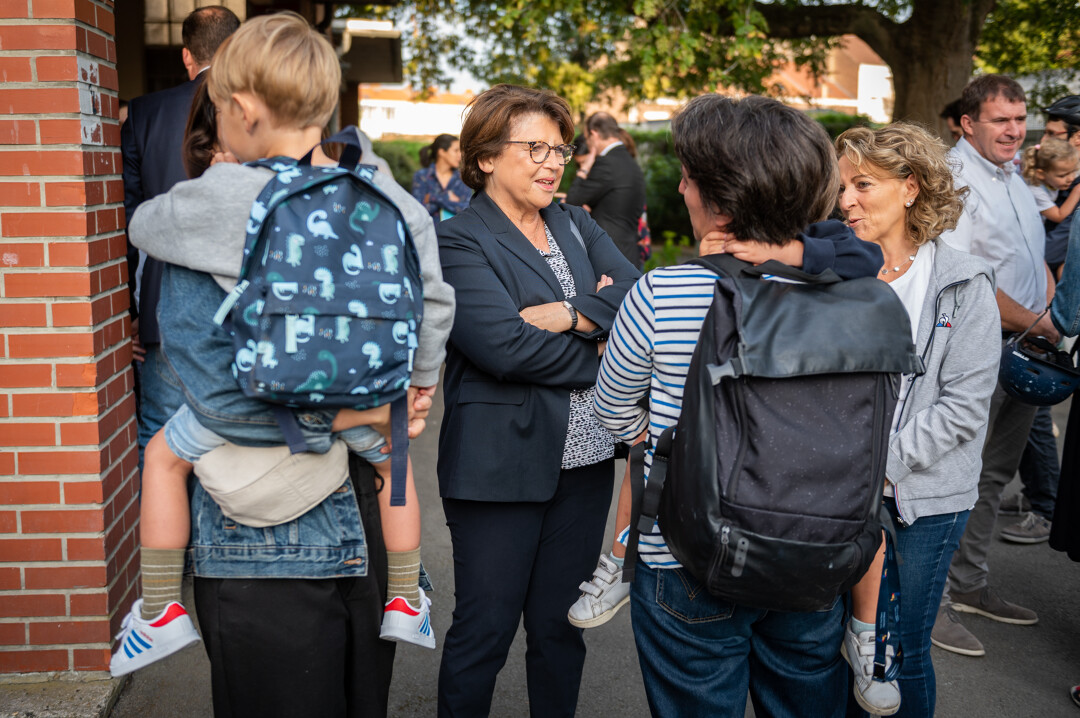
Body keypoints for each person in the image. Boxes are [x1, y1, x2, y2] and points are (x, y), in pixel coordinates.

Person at [119, 14, 456, 715]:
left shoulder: (221, 197)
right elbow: (431, 288)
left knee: (162, 454)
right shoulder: (379, 194)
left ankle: (155, 613)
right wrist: (420, 381)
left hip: (257, 511)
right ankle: (407, 592)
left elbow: (145, 225)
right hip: (361, 478)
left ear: (240, 110)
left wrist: (212, 181)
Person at [594, 93, 884, 718]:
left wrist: (659, 429)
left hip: (687, 551)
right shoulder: (859, 295)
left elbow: (611, 410)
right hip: (817, 545)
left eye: (689, 177)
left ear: (718, 195)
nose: (680, 185)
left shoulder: (664, 293)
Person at [435, 84, 639, 717]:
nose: (554, 162)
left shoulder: (575, 222)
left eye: (561, 148)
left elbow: (635, 300)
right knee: (484, 633)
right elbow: (503, 348)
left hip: (583, 468)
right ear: (488, 156)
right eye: (535, 147)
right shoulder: (459, 239)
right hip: (498, 467)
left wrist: (567, 315)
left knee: (559, 633)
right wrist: (600, 351)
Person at [835, 123, 1000, 716]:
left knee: (897, 650)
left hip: (925, 499)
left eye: (862, 184)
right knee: (839, 648)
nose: (845, 200)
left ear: (910, 188)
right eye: (841, 186)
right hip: (834, 492)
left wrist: (879, 468)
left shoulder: (964, 283)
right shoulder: (835, 275)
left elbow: (963, 407)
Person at [932, 74, 1057, 657]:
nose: (1016, 130)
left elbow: (1031, 257)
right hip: (977, 354)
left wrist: (1054, 304)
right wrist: (1041, 320)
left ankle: (971, 584)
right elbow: (966, 276)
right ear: (968, 123)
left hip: (1024, 351)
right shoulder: (955, 180)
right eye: (1001, 120)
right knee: (948, 480)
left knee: (991, 478)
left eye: (1020, 117)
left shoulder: (1013, 178)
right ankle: (929, 604)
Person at [122, 6, 240, 467]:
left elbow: (129, 218)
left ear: (187, 56)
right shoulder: (260, 108)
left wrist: (130, 312)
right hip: (247, 305)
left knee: (159, 436)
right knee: (236, 440)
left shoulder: (146, 112)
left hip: (163, 305)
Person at [565, 112, 648, 269]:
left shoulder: (607, 163)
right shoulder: (628, 161)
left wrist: (585, 169)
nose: (588, 144)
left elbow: (573, 200)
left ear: (594, 134)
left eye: (587, 138)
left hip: (612, 257)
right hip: (629, 252)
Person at [1020, 138, 1080, 229]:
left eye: (1073, 171)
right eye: (1062, 176)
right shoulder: (1034, 190)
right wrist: (1077, 191)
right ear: (1041, 174)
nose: (1071, 178)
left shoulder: (1058, 173)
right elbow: (1059, 216)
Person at [412, 133, 471, 222]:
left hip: (456, 234)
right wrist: (448, 197)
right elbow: (418, 212)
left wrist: (432, 197)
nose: (460, 155)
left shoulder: (462, 178)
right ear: (442, 152)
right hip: (429, 234)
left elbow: (467, 211)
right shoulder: (421, 176)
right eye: (456, 151)